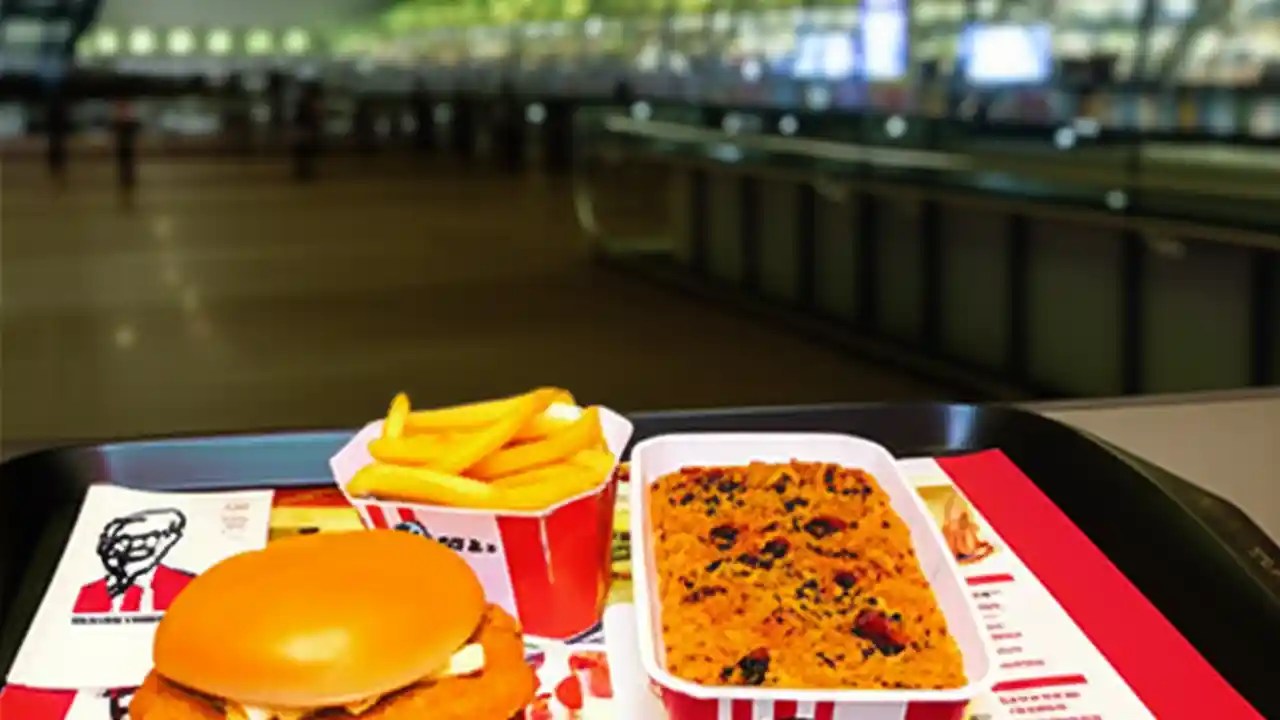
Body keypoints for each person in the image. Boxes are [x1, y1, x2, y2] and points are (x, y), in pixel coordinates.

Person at [74, 509, 195, 614]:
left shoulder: (188, 587)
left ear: (168, 540)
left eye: (130, 541)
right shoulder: (90, 592)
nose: (118, 550)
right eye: (113, 542)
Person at [292, 82, 323, 181]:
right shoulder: (309, 105)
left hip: (306, 132)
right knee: (305, 153)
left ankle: (304, 171)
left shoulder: (307, 105)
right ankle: (304, 171)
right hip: (306, 132)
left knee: (305, 153)